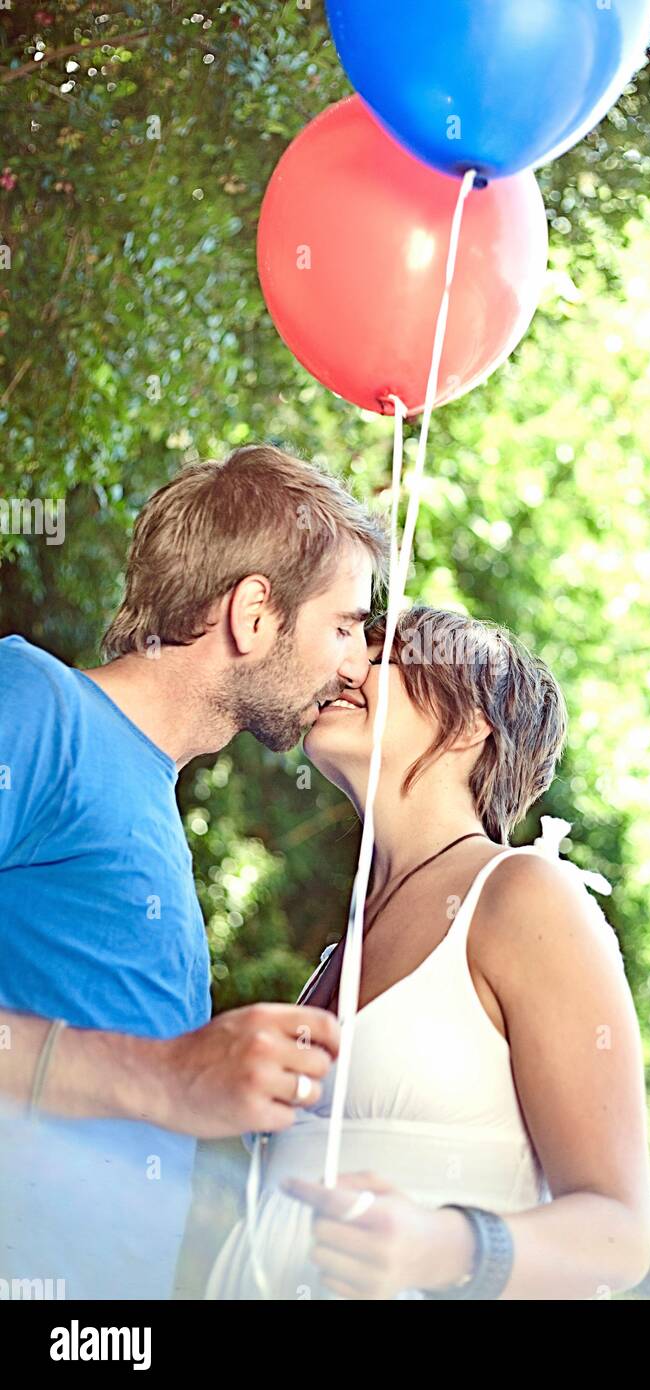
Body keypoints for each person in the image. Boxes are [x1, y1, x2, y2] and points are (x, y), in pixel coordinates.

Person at [0, 443, 387, 1298]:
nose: (359, 665)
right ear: (254, 613)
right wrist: (163, 1078)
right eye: (346, 625)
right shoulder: (37, 706)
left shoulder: (149, 796)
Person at [206, 605, 650, 1300]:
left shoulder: (525, 897)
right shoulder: (332, 960)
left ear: (472, 723)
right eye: (349, 644)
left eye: (385, 654)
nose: (346, 665)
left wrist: (443, 1246)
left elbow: (620, 1236)